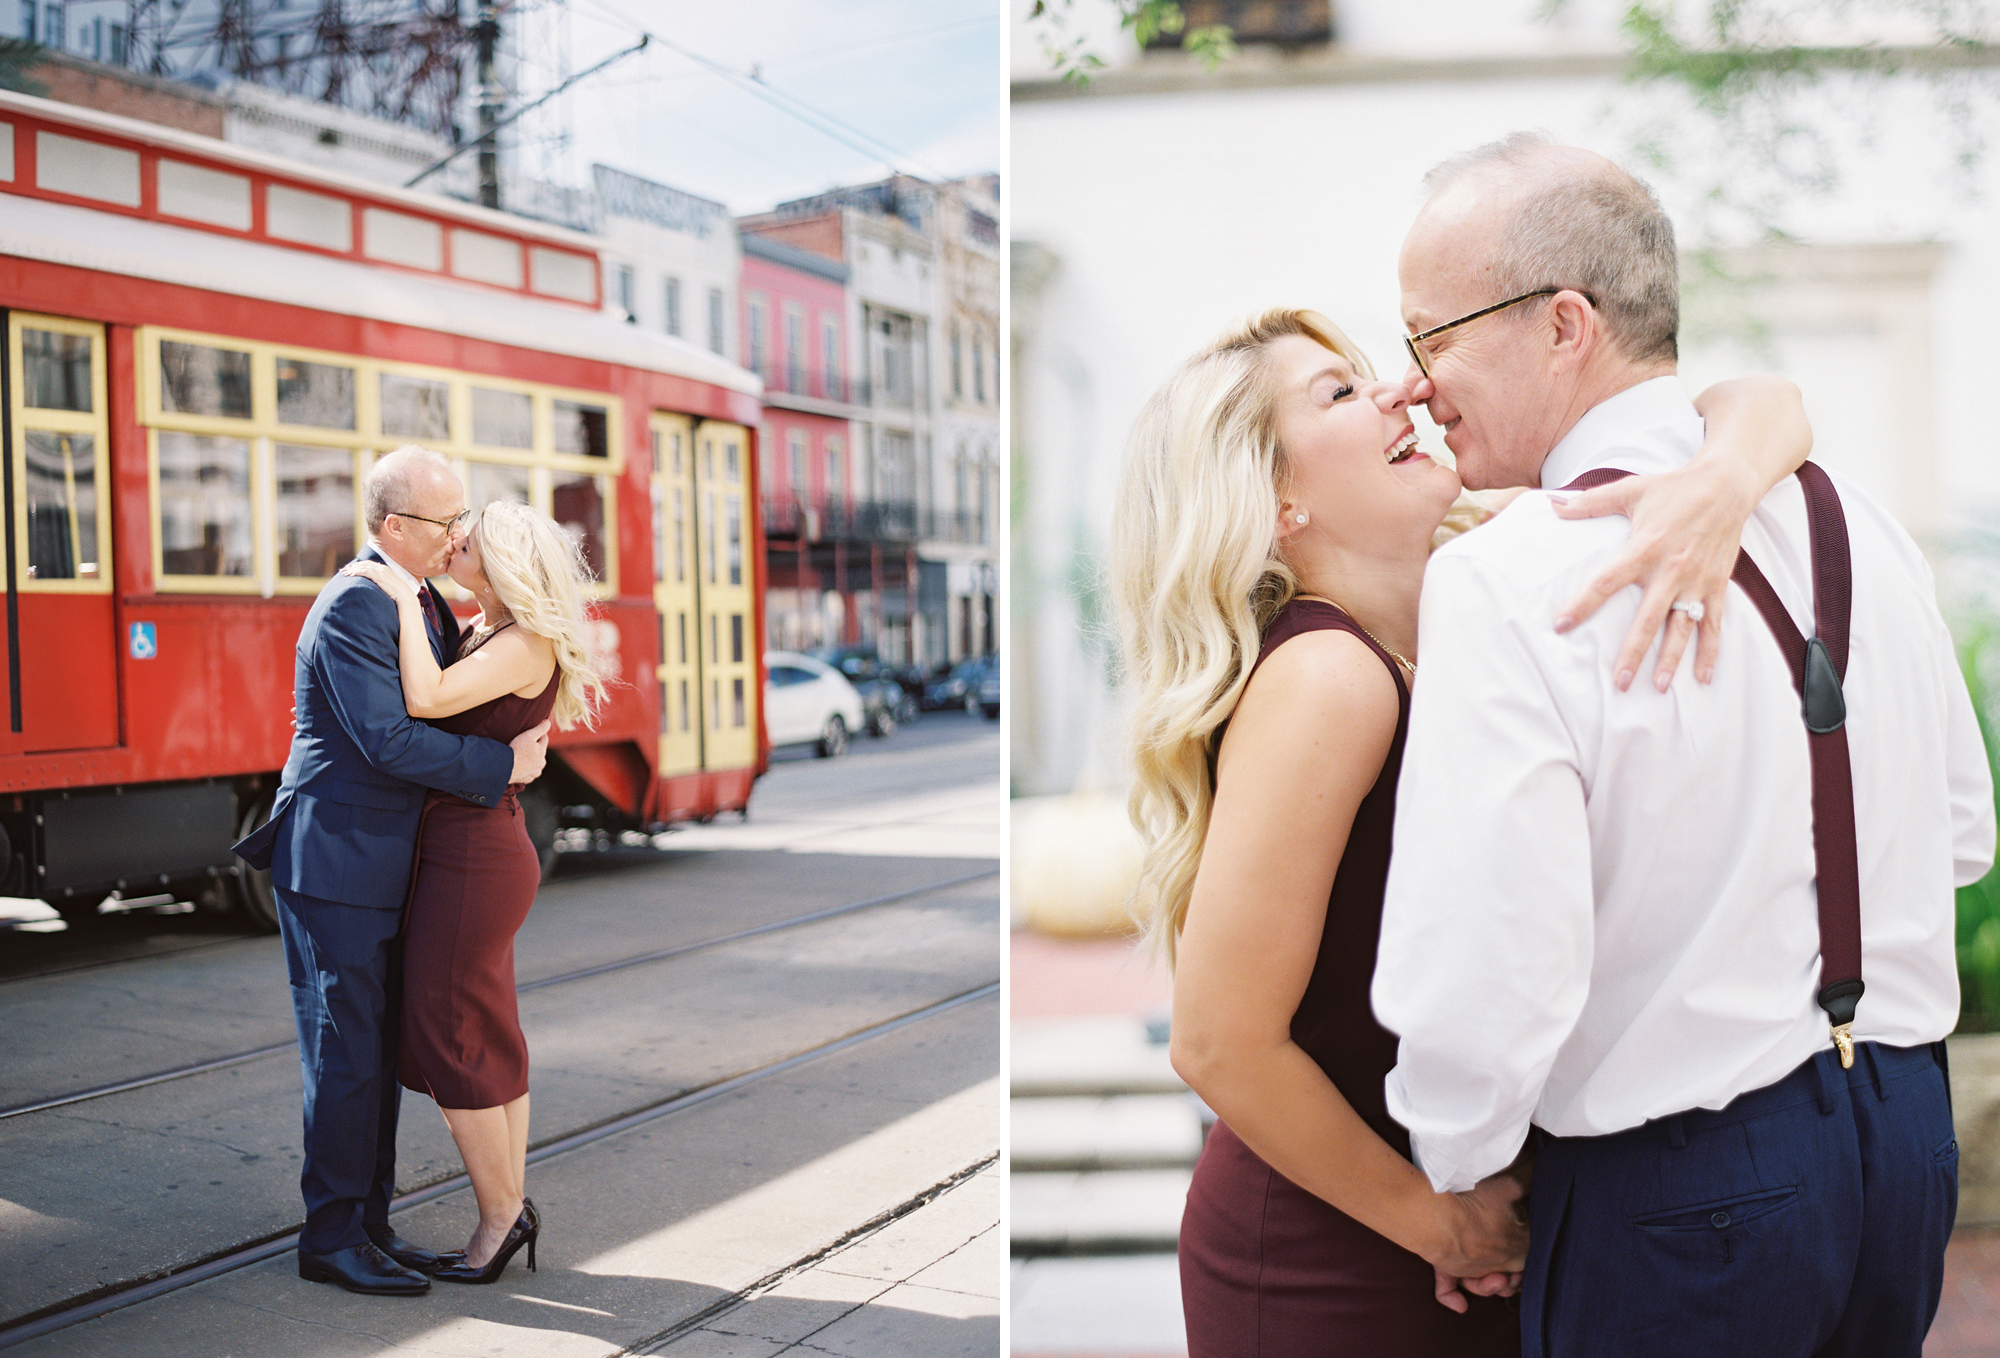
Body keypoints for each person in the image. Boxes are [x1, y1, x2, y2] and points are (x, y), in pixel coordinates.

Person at [1373, 134, 1998, 1357]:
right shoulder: (1858, 521)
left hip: (1679, 1194)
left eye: (1429, 337)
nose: (1415, 384)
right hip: (1906, 1147)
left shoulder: (1505, 579)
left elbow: (1491, 959)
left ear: (1562, 324)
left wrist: (1456, 1166)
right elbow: (1961, 831)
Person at [1112, 304, 1814, 1355]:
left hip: (1469, 1221)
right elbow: (1216, 1039)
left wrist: (1724, 474)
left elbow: (1763, 401)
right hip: (1339, 1248)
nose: (1396, 389)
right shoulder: (1326, 676)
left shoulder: (1471, 602)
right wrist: (1437, 1221)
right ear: (1276, 499)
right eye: (1339, 392)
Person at [234, 445, 550, 1297]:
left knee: (369, 1052)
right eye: (447, 522)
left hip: (383, 862)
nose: (458, 537)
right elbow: (390, 739)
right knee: (345, 1056)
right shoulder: (355, 603)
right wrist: (503, 769)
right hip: (337, 862)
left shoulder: (417, 600)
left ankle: (368, 1225)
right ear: (395, 526)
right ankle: (332, 1236)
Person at [343, 498, 606, 1284]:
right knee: (484, 1029)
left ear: (499, 563)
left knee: (446, 1027)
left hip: (474, 854)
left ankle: (499, 1216)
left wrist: (394, 594)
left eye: (468, 540)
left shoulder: (520, 642)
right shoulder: (487, 630)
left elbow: (423, 703)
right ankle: (509, 1204)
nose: (453, 543)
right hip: (470, 844)